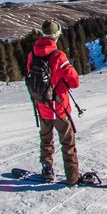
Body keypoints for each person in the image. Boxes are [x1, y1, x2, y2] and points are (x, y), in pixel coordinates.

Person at [26, 20, 81, 185]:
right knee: (67, 143)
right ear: (56, 35)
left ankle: (47, 170)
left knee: (46, 140)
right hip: (59, 108)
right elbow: (74, 82)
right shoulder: (58, 55)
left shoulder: (32, 54)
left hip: (41, 106)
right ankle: (72, 177)